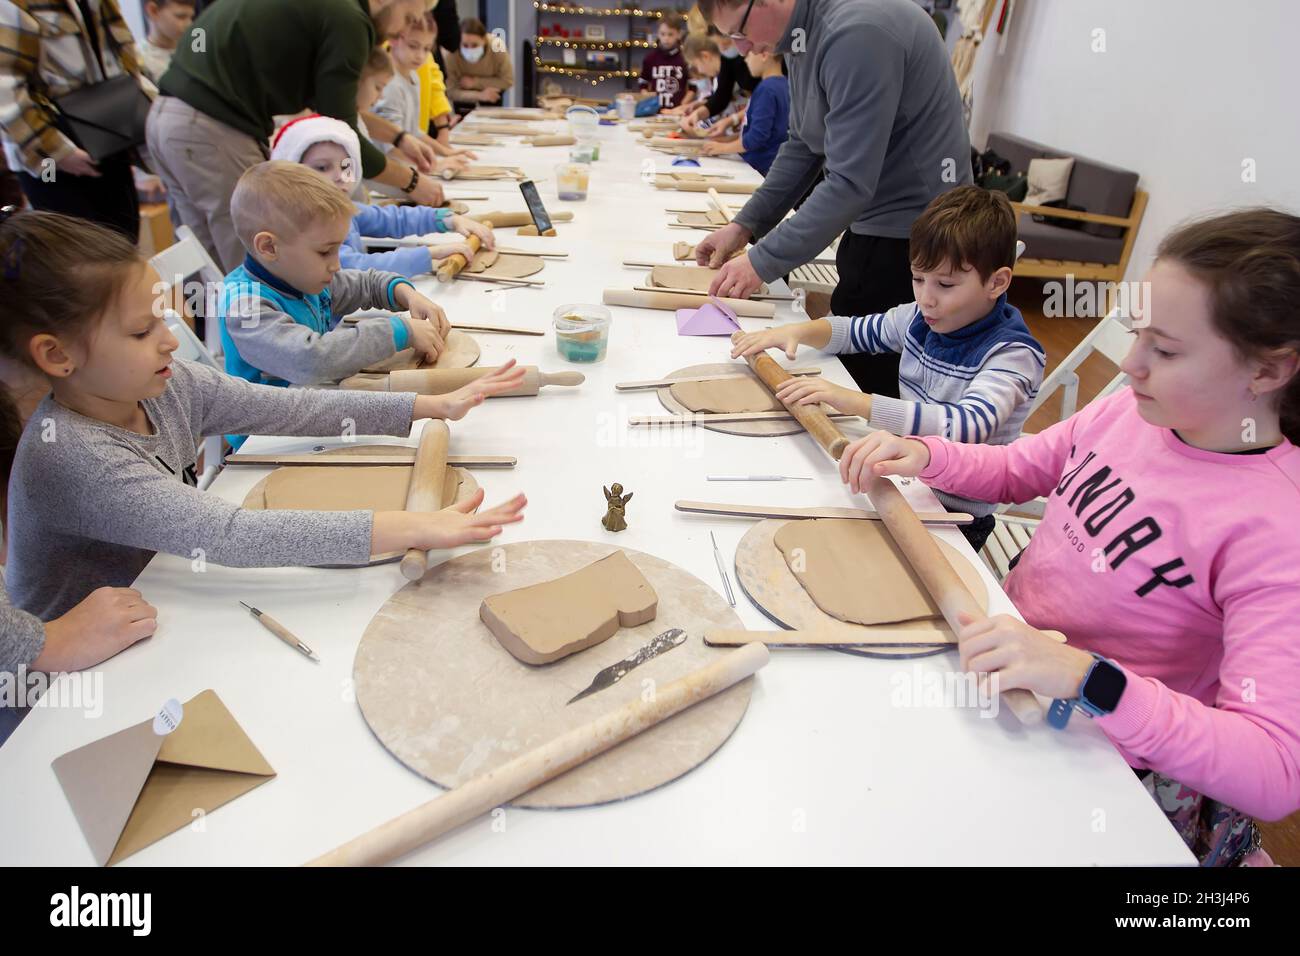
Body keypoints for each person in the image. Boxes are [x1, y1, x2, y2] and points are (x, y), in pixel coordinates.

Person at [841, 208, 1300, 865]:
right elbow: (1016, 469)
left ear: (1267, 371)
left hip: (1097, 755)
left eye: (1164, 350)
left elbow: (1275, 768)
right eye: (1138, 333)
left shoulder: (1277, 529)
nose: (1131, 364)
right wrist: (925, 455)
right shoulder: (1131, 410)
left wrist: (1088, 677)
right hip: (1005, 657)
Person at [0, 209, 527, 622]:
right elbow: (230, 534)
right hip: (62, 684)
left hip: (160, 594)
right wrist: (414, 525)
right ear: (57, 355)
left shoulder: (162, 383)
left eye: (163, 318)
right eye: (141, 332)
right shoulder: (73, 455)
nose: (168, 341)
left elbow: (285, 404)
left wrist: (424, 405)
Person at [732, 186, 1043, 549]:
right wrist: (796, 330)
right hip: (905, 482)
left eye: (945, 284)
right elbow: (856, 331)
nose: (926, 297)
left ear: (997, 282)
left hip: (954, 514)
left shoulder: (1012, 355)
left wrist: (856, 401)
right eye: (917, 278)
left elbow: (962, 426)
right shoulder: (921, 317)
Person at [695, 0, 971, 398]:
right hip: (878, 232)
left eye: (739, 31)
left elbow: (850, 184)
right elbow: (803, 145)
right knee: (842, 372)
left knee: (863, 390)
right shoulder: (803, 35)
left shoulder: (855, 31)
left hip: (913, 247)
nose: (741, 48)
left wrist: (761, 261)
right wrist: (744, 227)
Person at [146, 0, 447, 271]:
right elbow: (342, 129)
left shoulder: (324, 12)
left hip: (169, 118)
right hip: (213, 127)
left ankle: (211, 332)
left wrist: (398, 137)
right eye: (408, 16)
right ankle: (258, 333)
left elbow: (339, 109)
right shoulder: (350, 19)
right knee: (258, 264)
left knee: (205, 265)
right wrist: (412, 181)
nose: (402, 31)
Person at [0, 0, 154, 238]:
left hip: (108, 135)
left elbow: (124, 56)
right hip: (51, 152)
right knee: (79, 257)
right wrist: (56, 151)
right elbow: (5, 88)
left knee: (124, 243)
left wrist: (146, 118)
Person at [271, 113, 491, 277]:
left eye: (346, 166)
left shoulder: (342, 209)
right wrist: (429, 255)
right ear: (293, 173)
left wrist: (448, 220)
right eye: (321, 168)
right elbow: (356, 267)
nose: (339, 176)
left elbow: (391, 219)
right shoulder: (305, 229)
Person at [698, 46, 788, 175]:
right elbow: (767, 132)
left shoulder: (767, 89)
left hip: (758, 167)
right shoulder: (782, 84)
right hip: (767, 165)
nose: (745, 61)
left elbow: (756, 138)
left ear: (764, 55)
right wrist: (724, 141)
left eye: (748, 55)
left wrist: (722, 148)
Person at [444, 18, 514, 111]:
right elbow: (450, 91)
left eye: (474, 45)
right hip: (463, 97)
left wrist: (474, 82)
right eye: (465, 45)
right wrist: (480, 95)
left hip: (492, 93)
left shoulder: (497, 47)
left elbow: (508, 81)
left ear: (484, 40)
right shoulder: (452, 52)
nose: (469, 50)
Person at [138, 0, 195, 83]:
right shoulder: (139, 63)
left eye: (191, 17)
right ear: (153, 11)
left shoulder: (196, 51)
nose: (189, 24)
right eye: (181, 16)